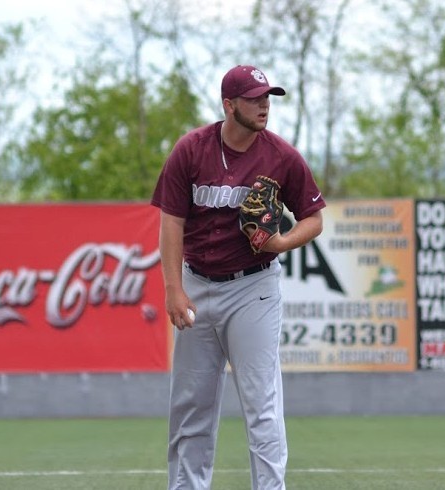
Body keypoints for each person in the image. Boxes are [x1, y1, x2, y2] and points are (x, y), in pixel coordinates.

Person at [151, 65, 325, 490]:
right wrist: (173, 288)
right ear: (229, 105)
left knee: (261, 405)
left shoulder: (281, 156)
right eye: (254, 98)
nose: (264, 104)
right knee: (191, 406)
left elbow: (314, 219)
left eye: (268, 96)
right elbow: (171, 223)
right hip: (196, 284)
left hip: (253, 287)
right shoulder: (191, 151)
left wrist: (282, 243)